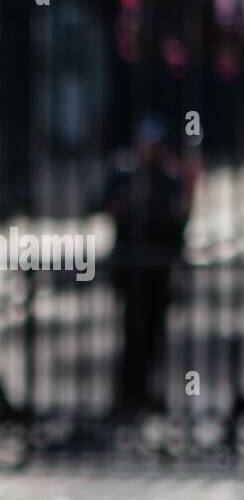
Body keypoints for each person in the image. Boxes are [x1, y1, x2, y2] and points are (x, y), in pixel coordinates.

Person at [96, 114, 194, 419]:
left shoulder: (170, 179)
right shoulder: (124, 175)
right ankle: (127, 395)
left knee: (155, 335)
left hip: (159, 269)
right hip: (131, 269)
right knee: (131, 332)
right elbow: (107, 207)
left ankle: (149, 392)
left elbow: (179, 221)